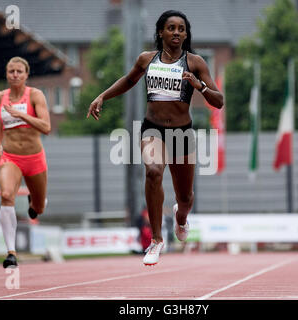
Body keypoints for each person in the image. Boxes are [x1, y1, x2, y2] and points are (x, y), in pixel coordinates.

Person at [87, 10, 223, 266]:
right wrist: (102, 96)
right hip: (153, 130)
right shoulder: (146, 60)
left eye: (181, 29)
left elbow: (219, 101)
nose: (176, 33)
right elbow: (128, 81)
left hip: (182, 133)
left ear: (186, 34)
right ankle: (157, 240)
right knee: (152, 172)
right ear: (161, 32)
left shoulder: (195, 62)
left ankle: (181, 218)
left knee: (185, 197)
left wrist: (199, 85)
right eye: (171, 28)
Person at [0, 56, 51, 268]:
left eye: (19, 71)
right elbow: (2, 122)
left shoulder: (35, 95)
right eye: (11, 71)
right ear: (6, 74)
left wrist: (21, 114)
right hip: (11, 157)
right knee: (6, 195)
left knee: (38, 209)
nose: (15, 75)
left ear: (26, 74)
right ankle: (11, 253)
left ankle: (35, 202)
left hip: (34, 158)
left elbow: (46, 127)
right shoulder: (0, 97)